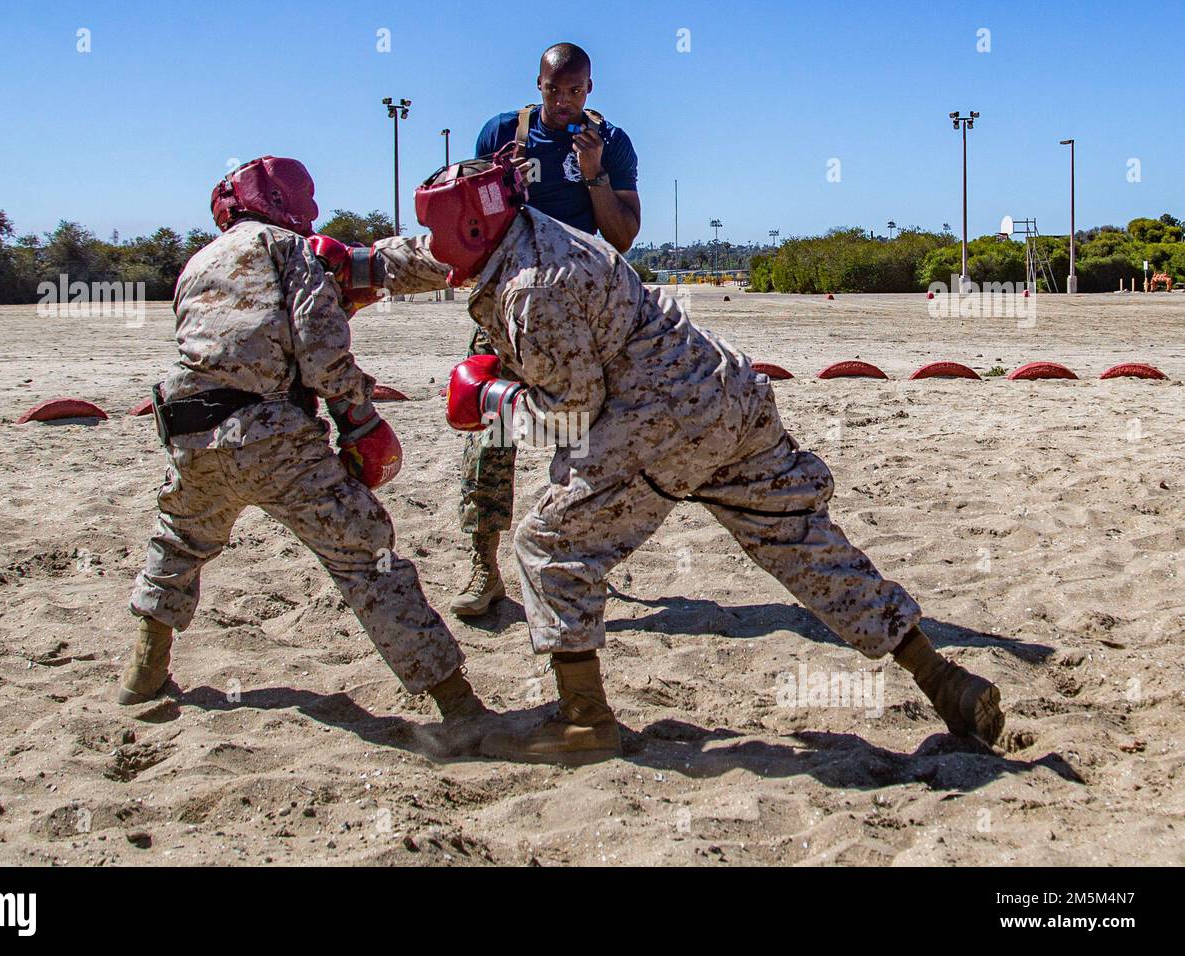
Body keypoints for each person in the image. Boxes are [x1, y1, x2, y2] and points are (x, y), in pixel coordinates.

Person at [355, 151, 1006, 766]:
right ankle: (945, 681)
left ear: (472, 224)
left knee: (549, 548)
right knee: (801, 544)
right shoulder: (524, 229)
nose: (430, 245)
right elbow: (431, 256)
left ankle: (583, 721)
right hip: (731, 396)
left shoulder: (531, 289)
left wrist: (494, 400)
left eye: (436, 229)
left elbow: (571, 415)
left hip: (659, 422)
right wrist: (349, 269)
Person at [121, 156, 487, 750]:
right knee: (366, 555)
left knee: (178, 542)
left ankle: (143, 675)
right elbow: (318, 346)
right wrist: (359, 419)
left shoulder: (197, 263)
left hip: (187, 433)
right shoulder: (289, 249)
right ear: (284, 200)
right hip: (268, 432)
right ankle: (459, 706)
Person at [451, 42, 641, 618]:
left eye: (574, 90)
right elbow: (467, 221)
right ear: (537, 85)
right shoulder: (503, 133)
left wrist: (594, 175)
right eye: (552, 89)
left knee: (581, 439)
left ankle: (575, 561)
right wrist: (494, 181)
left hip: (577, 314)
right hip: (506, 309)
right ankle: (483, 568)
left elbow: (624, 235)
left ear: (591, 88)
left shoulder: (611, 143)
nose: (562, 101)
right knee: (490, 432)